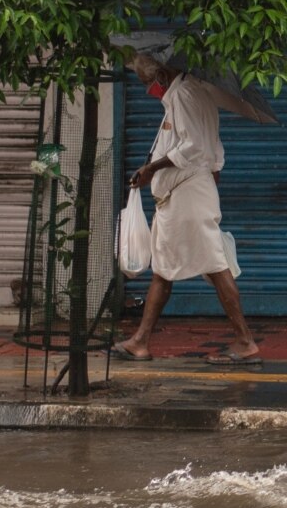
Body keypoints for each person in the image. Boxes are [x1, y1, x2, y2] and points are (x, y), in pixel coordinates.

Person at [112, 54, 261, 365]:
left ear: (163, 74)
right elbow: (212, 149)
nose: (147, 89)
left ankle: (246, 342)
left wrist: (152, 168)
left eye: (147, 82)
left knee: (214, 265)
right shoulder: (194, 94)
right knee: (164, 269)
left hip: (188, 196)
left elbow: (192, 146)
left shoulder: (182, 94)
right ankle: (140, 340)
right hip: (186, 195)